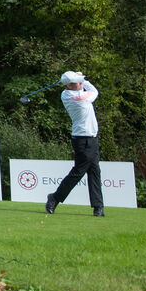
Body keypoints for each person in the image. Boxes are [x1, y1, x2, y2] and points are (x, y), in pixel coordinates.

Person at [46, 71, 104, 217]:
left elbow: (85, 88)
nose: (81, 84)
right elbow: (94, 91)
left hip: (91, 138)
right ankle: (55, 197)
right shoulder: (76, 97)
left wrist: (80, 78)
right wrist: (85, 79)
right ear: (70, 86)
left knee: (94, 171)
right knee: (79, 172)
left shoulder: (72, 91)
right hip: (82, 140)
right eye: (78, 82)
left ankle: (98, 207)